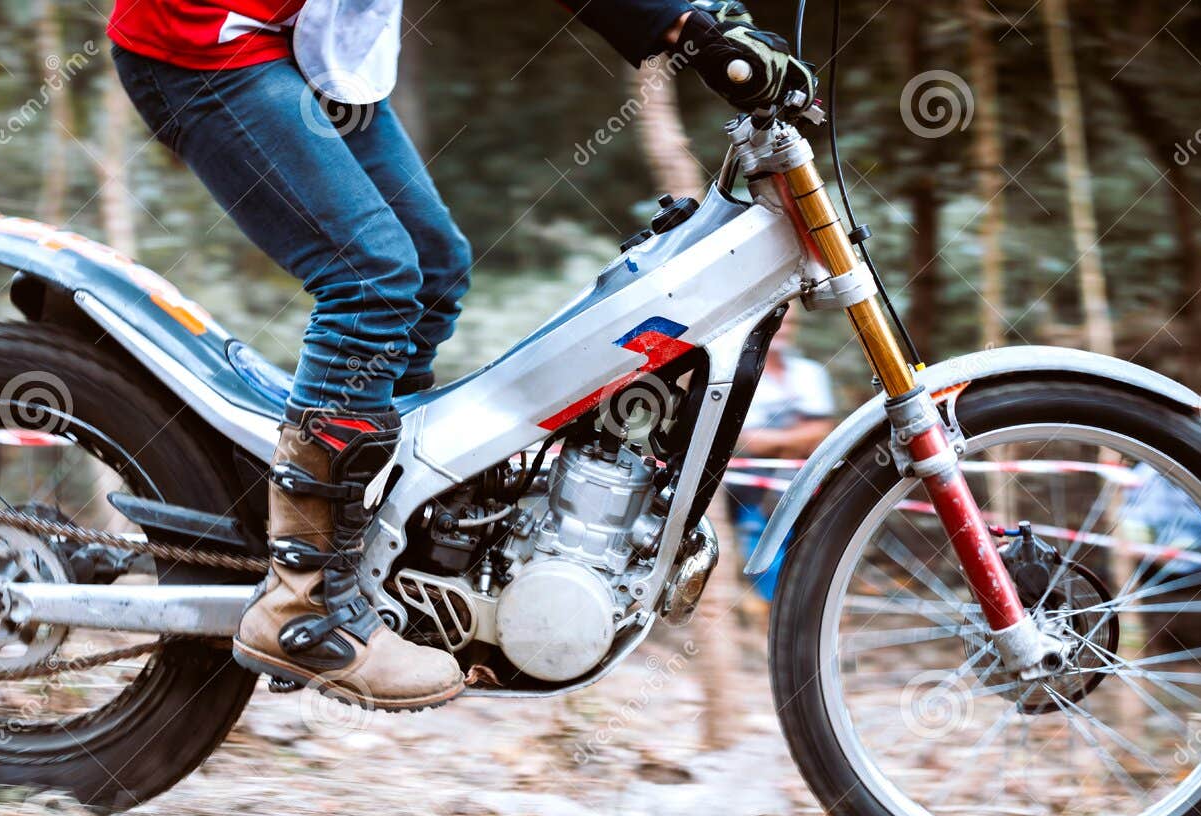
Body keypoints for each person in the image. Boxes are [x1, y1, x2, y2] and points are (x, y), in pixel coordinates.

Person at [109, 0, 814, 709]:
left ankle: (371, 550)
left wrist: (699, 13)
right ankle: (304, 604)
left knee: (433, 266)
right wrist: (676, 24)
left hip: (301, 41)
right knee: (371, 280)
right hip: (206, 42)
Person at [726, 323, 837, 605]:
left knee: (810, 560)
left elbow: (823, 430)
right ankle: (775, 614)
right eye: (780, 322)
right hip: (753, 494)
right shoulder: (742, 375)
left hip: (806, 489)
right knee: (764, 563)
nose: (784, 329)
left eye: (791, 323)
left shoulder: (809, 373)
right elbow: (746, 441)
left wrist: (774, 438)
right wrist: (800, 435)